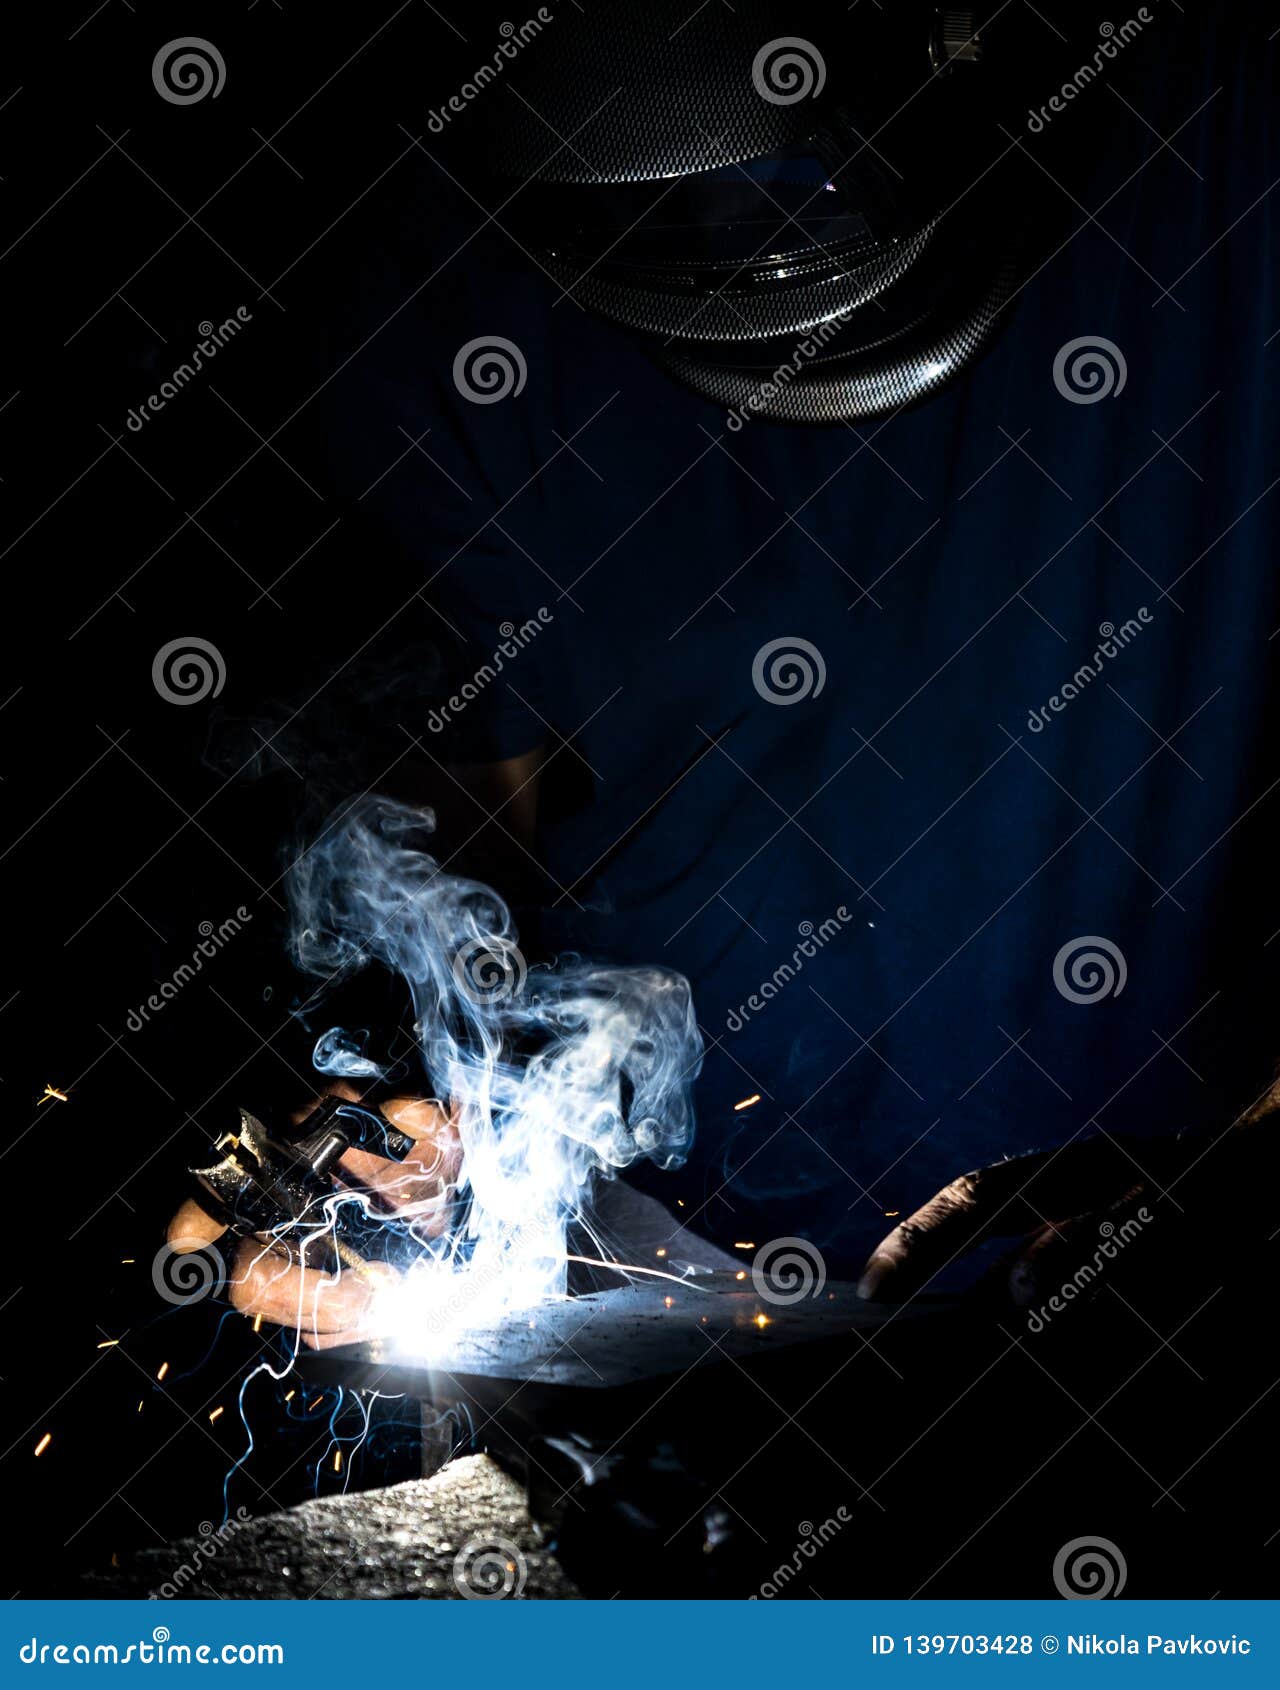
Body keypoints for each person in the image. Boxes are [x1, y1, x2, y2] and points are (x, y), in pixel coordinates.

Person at [171, 4, 1278, 1348]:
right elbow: (467, 856)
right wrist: (414, 1102)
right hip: (687, 1270)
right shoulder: (439, 287)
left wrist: (1246, 1162)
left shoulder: (1214, 102)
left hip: (1168, 1248)